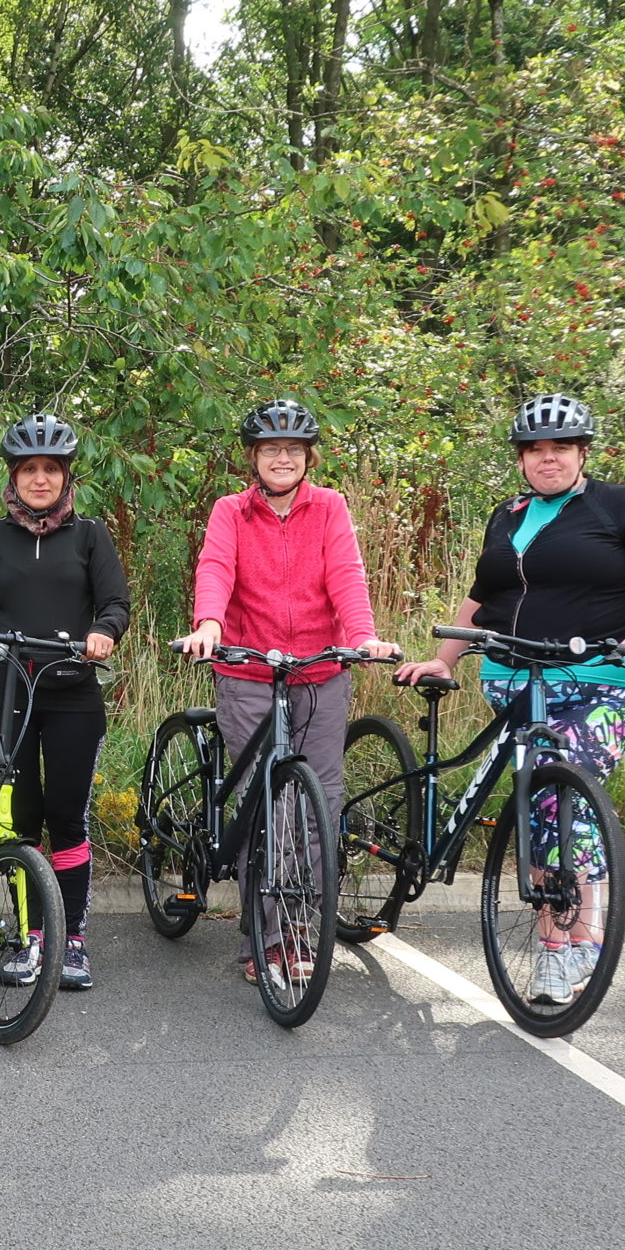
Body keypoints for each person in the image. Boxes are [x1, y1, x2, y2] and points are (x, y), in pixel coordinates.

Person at [393, 392, 625, 1004]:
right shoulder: (507, 514)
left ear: (582, 452)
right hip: (518, 677)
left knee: (565, 788)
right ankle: (558, 942)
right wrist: (444, 657)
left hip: (608, 678)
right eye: (535, 450)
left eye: (560, 448)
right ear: (521, 458)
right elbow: (481, 596)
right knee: (537, 802)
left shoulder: (622, 506)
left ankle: (573, 941)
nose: (547, 459)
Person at [175, 399, 397, 986]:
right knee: (268, 808)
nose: (281, 458)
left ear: (307, 457)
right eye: (271, 449)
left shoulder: (329, 508)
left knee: (316, 807)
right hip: (248, 673)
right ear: (254, 457)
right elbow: (216, 568)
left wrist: (363, 637)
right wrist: (209, 625)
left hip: (320, 674)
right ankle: (266, 937)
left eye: (292, 450)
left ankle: (302, 931)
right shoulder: (231, 511)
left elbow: (345, 574)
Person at [0, 413, 130, 991]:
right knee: (23, 822)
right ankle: (28, 938)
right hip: (7, 700)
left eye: (52, 469)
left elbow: (116, 603)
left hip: (73, 693)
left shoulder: (90, 535)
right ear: (14, 477)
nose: (41, 479)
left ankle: (70, 938)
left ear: (66, 475)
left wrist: (104, 631)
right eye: (30, 470)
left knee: (66, 819)